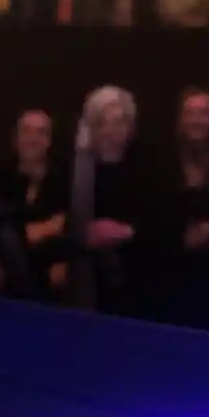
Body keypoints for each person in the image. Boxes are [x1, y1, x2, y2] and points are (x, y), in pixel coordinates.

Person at [68, 86, 159, 311]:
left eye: (119, 122)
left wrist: (127, 233)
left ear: (130, 127)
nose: (111, 131)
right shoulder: (73, 170)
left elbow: (165, 225)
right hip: (84, 274)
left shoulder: (149, 168)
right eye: (102, 123)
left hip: (139, 274)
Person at [0, 110, 69, 299]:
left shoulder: (63, 179)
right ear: (16, 139)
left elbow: (68, 225)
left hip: (46, 259)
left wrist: (61, 259)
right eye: (27, 132)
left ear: (49, 141)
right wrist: (41, 229)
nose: (33, 139)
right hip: (4, 258)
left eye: (41, 133)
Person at [157, 88, 209, 256]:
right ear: (180, 119)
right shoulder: (163, 164)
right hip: (169, 260)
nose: (196, 120)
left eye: (203, 113)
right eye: (190, 113)